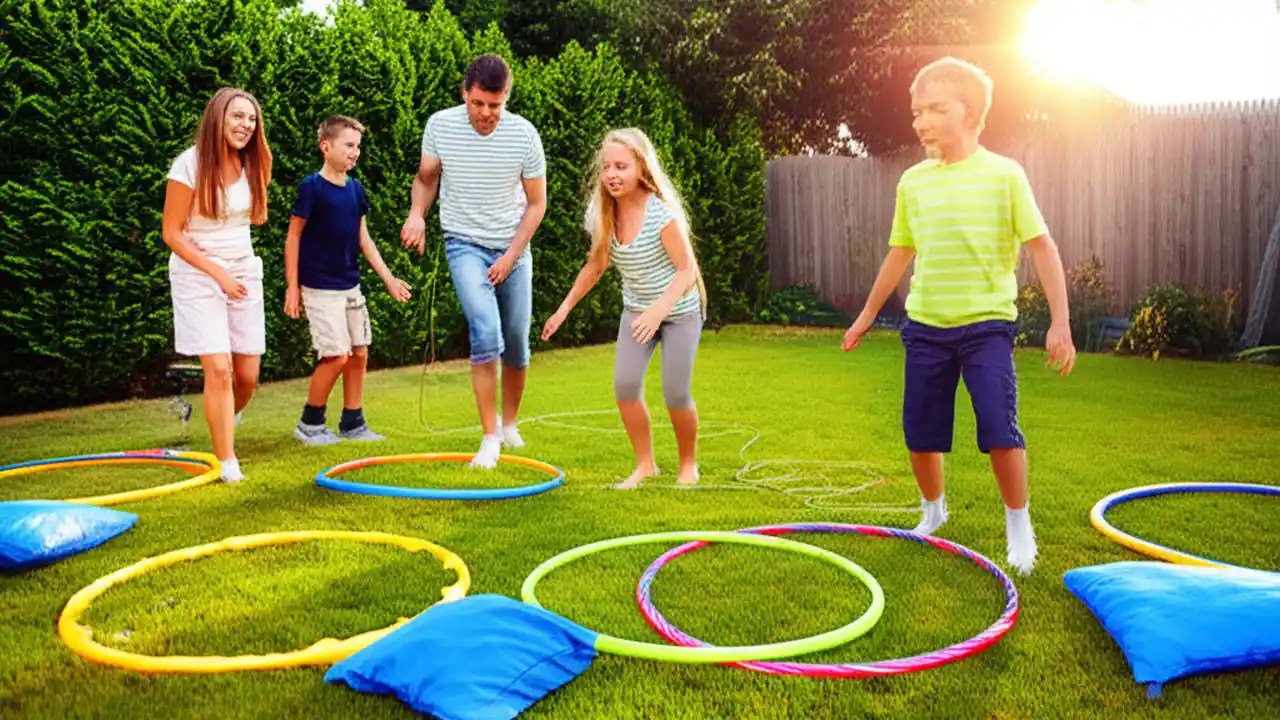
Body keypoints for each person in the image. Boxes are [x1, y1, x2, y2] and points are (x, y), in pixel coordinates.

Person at [840, 57, 1077, 575]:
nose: (920, 121)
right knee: (920, 430)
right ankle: (933, 512)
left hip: (986, 325)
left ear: (969, 113)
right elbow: (898, 255)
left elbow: (1043, 247)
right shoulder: (913, 183)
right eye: (915, 113)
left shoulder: (1004, 175)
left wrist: (1060, 322)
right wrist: (865, 316)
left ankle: (1019, 526)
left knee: (998, 426)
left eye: (934, 110)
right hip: (926, 327)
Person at [401, 53, 547, 469]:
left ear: (506, 98)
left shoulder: (524, 135)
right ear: (465, 94)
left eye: (495, 105)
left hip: (513, 248)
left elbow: (537, 205)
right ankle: (488, 437)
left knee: (517, 341)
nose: (486, 114)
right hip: (463, 243)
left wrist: (512, 255)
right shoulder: (440, 126)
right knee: (485, 329)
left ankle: (509, 423)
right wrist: (416, 215)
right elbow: (426, 180)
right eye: (478, 103)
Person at [542, 128, 706, 489]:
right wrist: (564, 308)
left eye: (621, 166)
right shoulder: (605, 214)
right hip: (637, 311)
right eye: (606, 167)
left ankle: (688, 465)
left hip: (678, 311)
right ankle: (645, 465)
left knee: (676, 392)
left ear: (641, 169)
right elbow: (595, 266)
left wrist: (658, 310)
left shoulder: (660, 215)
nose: (612, 174)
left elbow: (687, 270)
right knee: (626, 387)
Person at [161, 87, 273, 484]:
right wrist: (217, 273)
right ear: (217, 119)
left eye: (251, 118)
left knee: (247, 375)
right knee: (220, 370)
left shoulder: (255, 162)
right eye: (237, 117)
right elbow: (172, 233)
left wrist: (233, 271)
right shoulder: (188, 166)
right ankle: (227, 461)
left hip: (242, 270)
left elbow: (252, 217)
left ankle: (223, 419)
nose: (246, 125)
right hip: (197, 272)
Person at [284, 115, 412, 445]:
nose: (355, 152)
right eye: (349, 145)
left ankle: (353, 422)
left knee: (359, 352)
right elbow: (293, 237)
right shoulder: (311, 188)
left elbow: (364, 239)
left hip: (349, 285)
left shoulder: (356, 190)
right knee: (336, 355)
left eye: (358, 146)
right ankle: (310, 423)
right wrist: (291, 287)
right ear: (326, 147)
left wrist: (388, 278)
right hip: (319, 289)